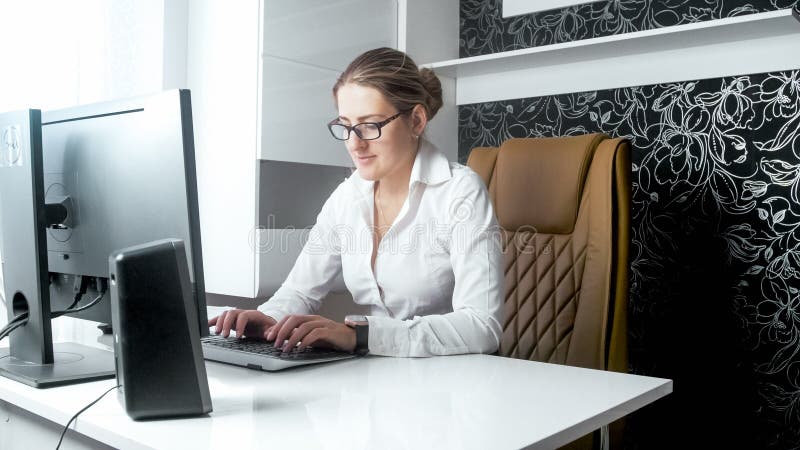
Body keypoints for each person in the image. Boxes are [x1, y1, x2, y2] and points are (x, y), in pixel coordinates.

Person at [208, 47, 503, 357]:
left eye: (370, 125)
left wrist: (361, 336)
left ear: (416, 121)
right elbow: (300, 291)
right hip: (375, 376)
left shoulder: (459, 192)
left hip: (452, 381)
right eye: (346, 126)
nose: (354, 143)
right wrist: (268, 319)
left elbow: (482, 326)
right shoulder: (348, 196)